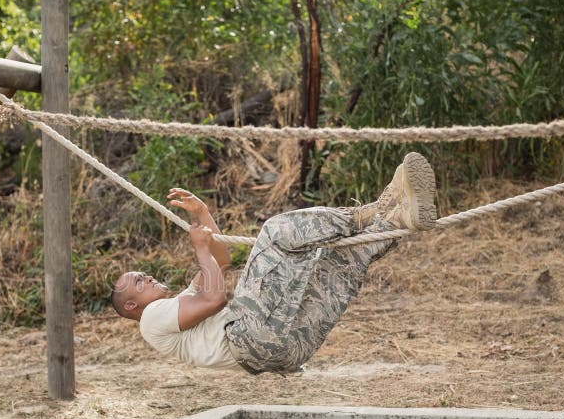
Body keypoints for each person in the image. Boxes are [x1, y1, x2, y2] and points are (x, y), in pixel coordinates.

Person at [111, 152, 437, 374]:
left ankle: (397, 220)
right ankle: (372, 212)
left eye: (143, 275)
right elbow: (215, 298)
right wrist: (199, 250)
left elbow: (221, 261)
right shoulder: (151, 319)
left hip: (287, 352)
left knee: (335, 265)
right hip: (250, 338)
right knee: (277, 232)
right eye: (139, 282)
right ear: (130, 305)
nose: (148, 278)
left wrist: (202, 215)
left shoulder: (176, 307)